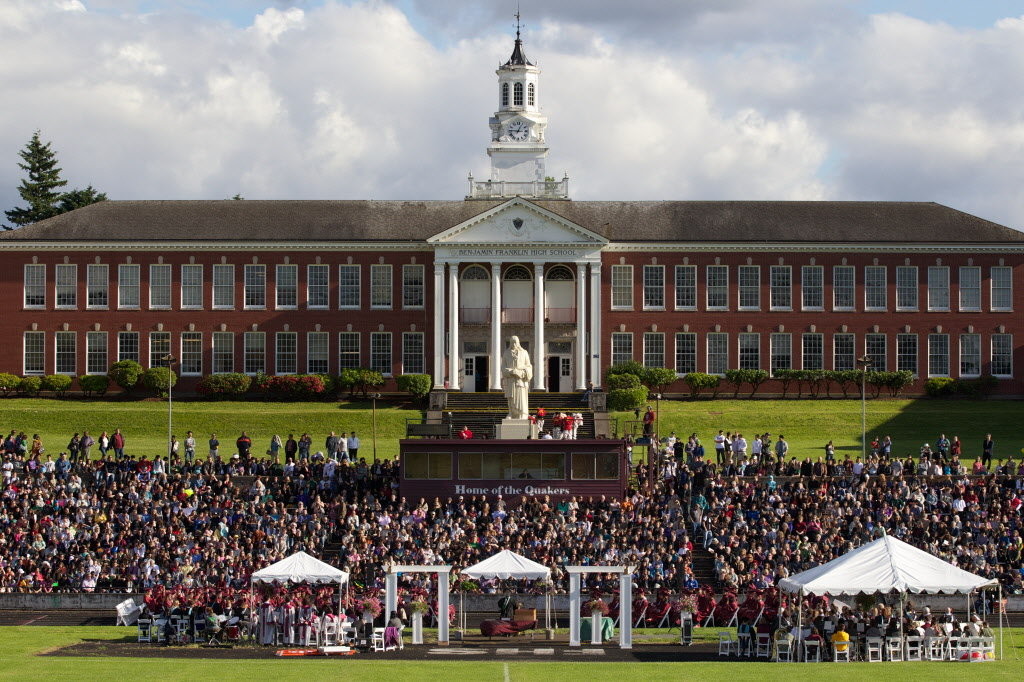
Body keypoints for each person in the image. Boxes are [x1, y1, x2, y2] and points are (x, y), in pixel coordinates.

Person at [501, 336, 532, 420]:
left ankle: (522, 413)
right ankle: (511, 413)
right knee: (511, 397)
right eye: (512, 342)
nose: (514, 344)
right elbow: (503, 368)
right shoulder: (506, 353)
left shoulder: (524, 353)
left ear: (518, 343)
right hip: (510, 380)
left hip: (520, 381)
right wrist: (511, 372)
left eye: (515, 342)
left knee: (521, 398)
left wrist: (521, 373)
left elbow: (529, 367)